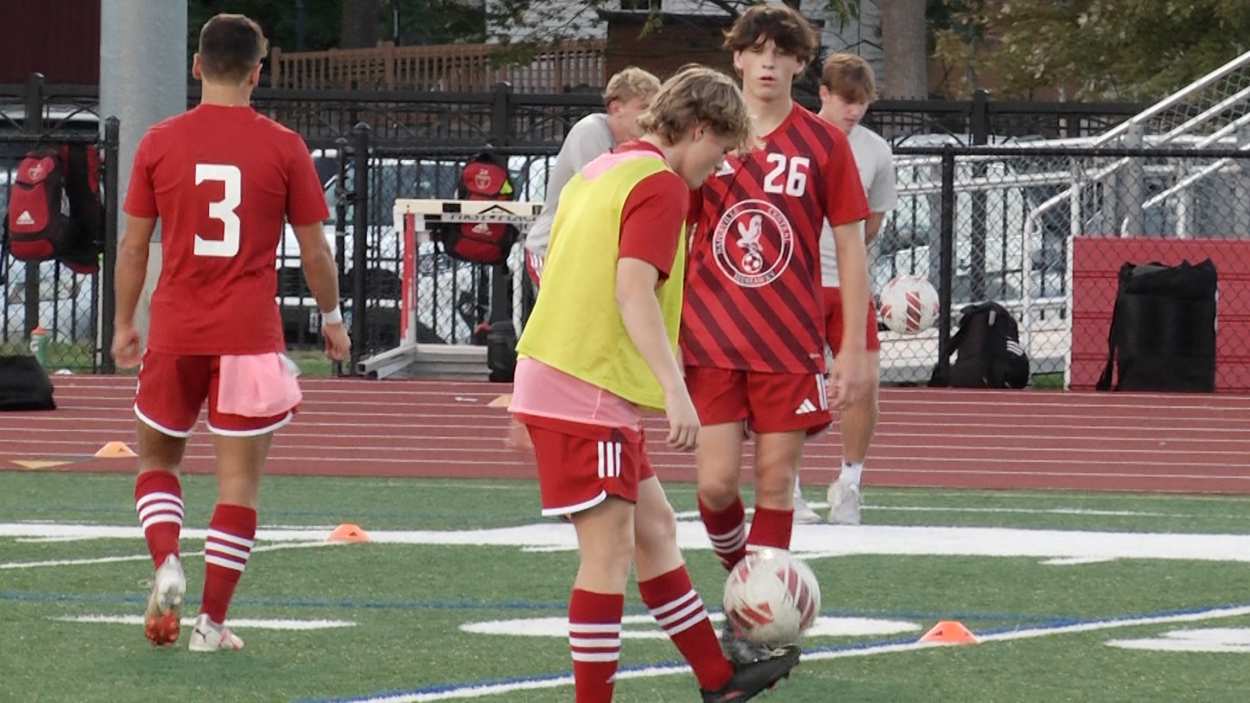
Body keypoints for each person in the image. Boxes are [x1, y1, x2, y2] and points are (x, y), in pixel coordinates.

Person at [509, 65, 799, 702]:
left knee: (656, 529)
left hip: (566, 374)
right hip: (586, 384)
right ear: (697, 129)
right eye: (721, 148)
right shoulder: (661, 184)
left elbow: (560, 270)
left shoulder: (605, 168)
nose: (720, 164)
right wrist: (675, 389)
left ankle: (719, 679)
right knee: (608, 555)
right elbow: (632, 291)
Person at [112, 13, 350, 652]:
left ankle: (167, 559)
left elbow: (134, 246)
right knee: (239, 484)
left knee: (157, 461)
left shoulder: (160, 141)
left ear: (195, 68)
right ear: (257, 72)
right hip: (247, 334)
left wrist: (123, 323)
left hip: (176, 329)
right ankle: (211, 624)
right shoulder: (283, 145)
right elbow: (315, 249)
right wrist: (330, 319)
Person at [681, 4, 870, 661]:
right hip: (707, 337)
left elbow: (849, 246)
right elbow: (675, 230)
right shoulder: (708, 135)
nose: (767, 62)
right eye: (754, 50)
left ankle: (756, 619)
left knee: (773, 479)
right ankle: (748, 581)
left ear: (798, 63)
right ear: (735, 58)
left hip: (788, 342)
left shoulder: (824, 145)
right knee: (713, 485)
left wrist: (847, 345)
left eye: (780, 52)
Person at [793, 52, 899, 525]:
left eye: (863, 103)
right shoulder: (798, 138)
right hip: (798, 282)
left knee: (864, 386)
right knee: (792, 389)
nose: (854, 112)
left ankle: (850, 482)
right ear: (824, 95)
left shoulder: (876, 151)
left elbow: (872, 222)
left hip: (849, 284)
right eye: (846, 101)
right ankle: (787, 486)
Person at [521, 66, 661, 287]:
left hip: (584, 253)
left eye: (654, 109)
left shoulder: (633, 146)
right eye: (643, 107)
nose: (651, 117)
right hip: (551, 249)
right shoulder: (590, 132)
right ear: (616, 108)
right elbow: (606, 196)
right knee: (563, 315)